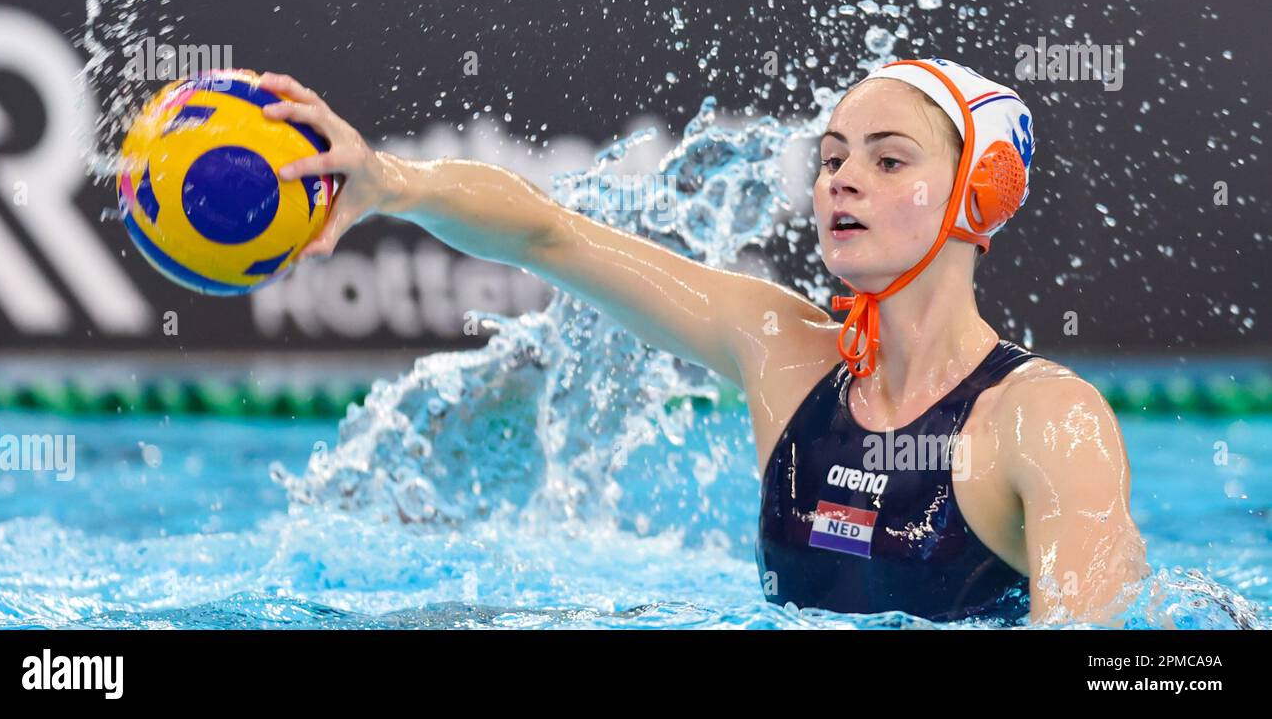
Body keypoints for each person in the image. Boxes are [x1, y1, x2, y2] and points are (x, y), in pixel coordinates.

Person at [255, 56, 1150, 625]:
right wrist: (390, 182)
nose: (843, 181)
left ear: (981, 195)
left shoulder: (1045, 421)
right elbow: (549, 236)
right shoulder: (784, 352)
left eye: (888, 159)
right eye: (833, 157)